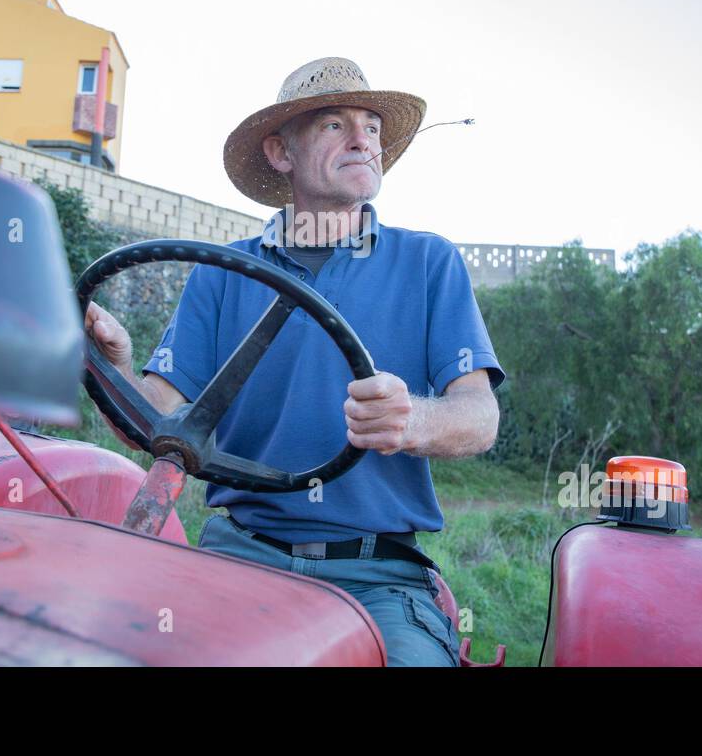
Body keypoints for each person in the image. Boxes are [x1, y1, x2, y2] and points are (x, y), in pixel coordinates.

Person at [86, 56, 505, 666]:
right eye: (335, 124)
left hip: (378, 574)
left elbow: (479, 417)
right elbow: (156, 425)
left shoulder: (428, 262)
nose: (364, 139)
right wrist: (115, 369)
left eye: (372, 125)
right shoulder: (222, 271)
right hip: (241, 553)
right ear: (281, 153)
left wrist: (409, 420)